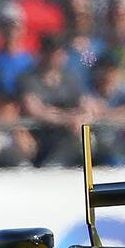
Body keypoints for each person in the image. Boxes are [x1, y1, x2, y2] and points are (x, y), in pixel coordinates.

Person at [18, 35, 99, 166]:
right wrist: (68, 119)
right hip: (42, 139)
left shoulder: (70, 77)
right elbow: (35, 110)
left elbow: (88, 105)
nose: (56, 56)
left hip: (70, 136)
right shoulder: (28, 79)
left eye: (59, 52)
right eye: (51, 52)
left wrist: (82, 117)